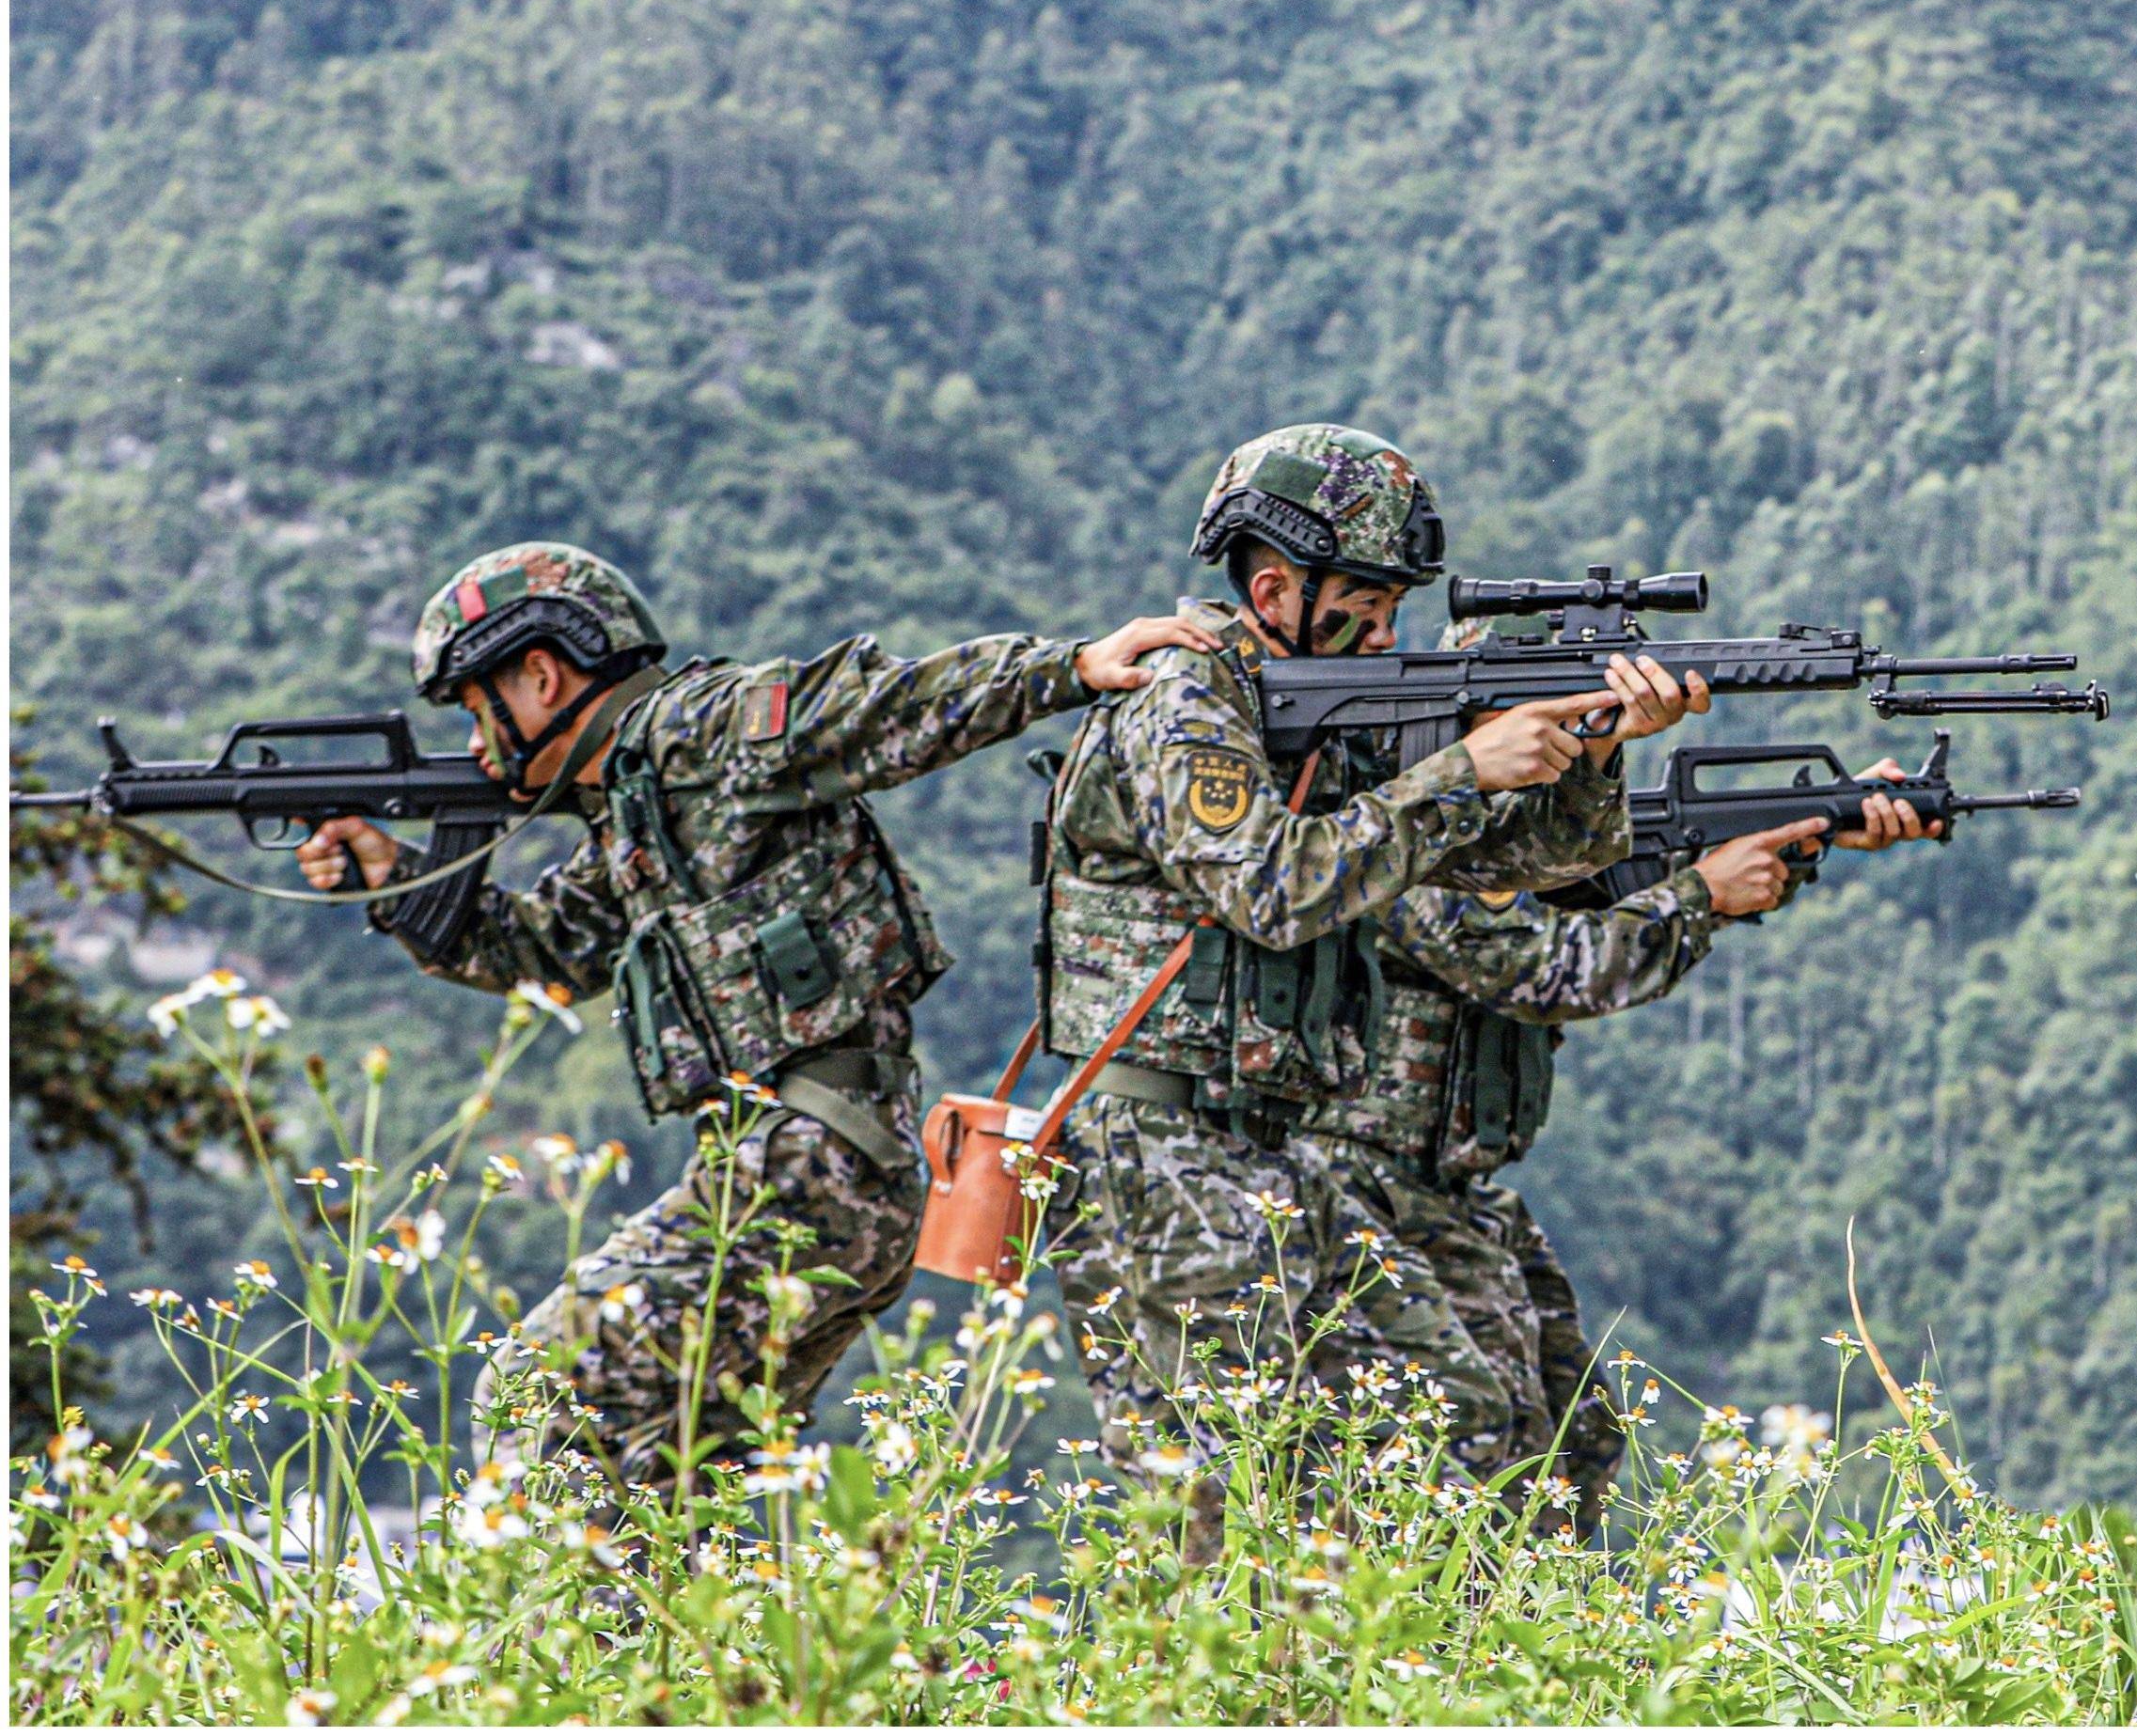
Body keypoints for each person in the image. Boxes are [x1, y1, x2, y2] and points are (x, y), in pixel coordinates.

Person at [296, 541, 1208, 1486]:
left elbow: (882, 705)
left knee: (534, 1392)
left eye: (482, 710)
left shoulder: (706, 729)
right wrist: (395, 882)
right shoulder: (636, 807)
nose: (480, 746)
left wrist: (1065, 667)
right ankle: (690, 1634)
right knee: (673, 1462)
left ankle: (580, 1630)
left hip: (808, 1165)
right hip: (819, 1174)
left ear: (540, 672)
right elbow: (547, 952)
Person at [1030, 424, 1704, 1555]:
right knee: (1227, 1513)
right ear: (1275, 583)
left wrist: (1591, 755)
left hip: (1279, 1150)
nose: (1388, 628)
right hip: (1168, 1143)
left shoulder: (1305, 707)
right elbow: (1268, 885)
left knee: (1457, 1438)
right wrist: (1462, 767)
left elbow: (1498, 871)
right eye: (1366, 600)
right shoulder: (1186, 694)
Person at [1296, 759, 1932, 1537]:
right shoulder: (1400, 830)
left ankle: (1505, 1635)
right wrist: (1702, 894)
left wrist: (1810, 824)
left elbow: (1610, 878)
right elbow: (1543, 964)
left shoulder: (1496, 827)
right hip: (1356, 1185)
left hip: (1444, 1190)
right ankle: (1403, 1639)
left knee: (1574, 1436)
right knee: (1462, 1446)